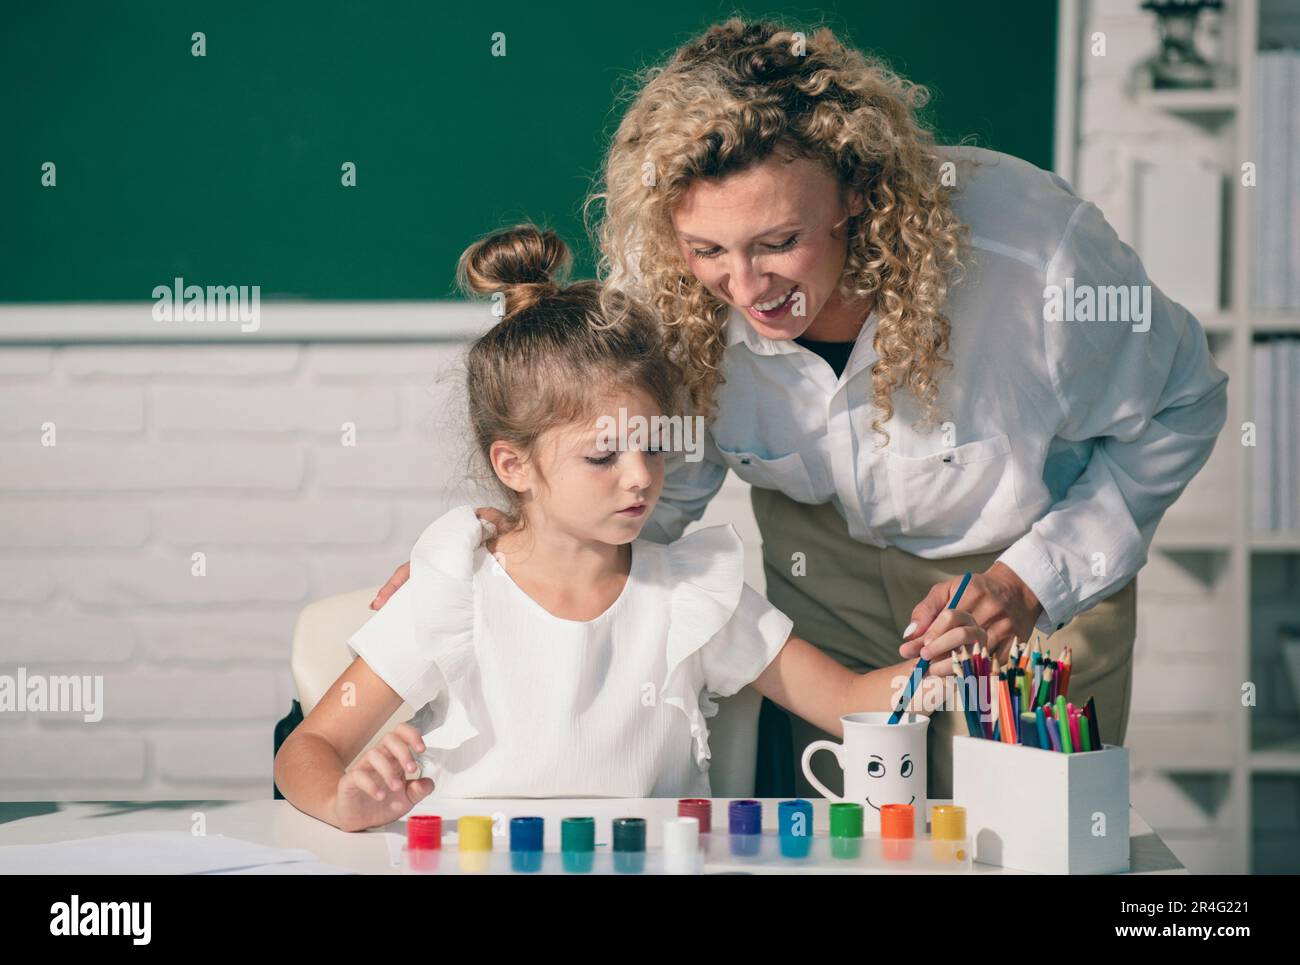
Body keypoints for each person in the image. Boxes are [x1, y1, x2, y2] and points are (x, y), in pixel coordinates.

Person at [372, 19, 1229, 799]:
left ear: (858, 190)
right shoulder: (670, 291)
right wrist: (515, 560)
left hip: (1028, 575)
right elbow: (656, 484)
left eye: (779, 242)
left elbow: (1183, 402)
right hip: (823, 574)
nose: (746, 289)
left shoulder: (1038, 256)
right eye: (710, 249)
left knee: (1028, 841)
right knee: (843, 838)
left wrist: (1031, 581)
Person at [274, 225, 985, 831]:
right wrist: (344, 799)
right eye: (603, 455)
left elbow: (848, 700)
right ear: (513, 464)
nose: (641, 476)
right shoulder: (452, 590)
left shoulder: (692, 592)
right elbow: (307, 749)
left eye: (653, 444)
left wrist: (949, 663)